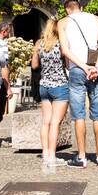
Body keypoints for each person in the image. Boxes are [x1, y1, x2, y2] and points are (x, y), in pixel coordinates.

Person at [57, 0, 98, 168]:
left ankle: (81, 157)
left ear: (67, 9)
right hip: (96, 70)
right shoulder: (97, 19)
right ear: (81, 7)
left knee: (79, 115)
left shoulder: (63, 22)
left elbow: (65, 51)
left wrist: (83, 67)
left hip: (77, 70)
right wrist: (96, 67)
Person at [30, 18, 70, 172]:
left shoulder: (39, 44)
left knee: (45, 122)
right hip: (59, 86)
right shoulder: (61, 44)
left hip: (44, 86)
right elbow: (68, 65)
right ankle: (52, 156)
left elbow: (34, 65)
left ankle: (45, 153)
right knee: (55, 123)